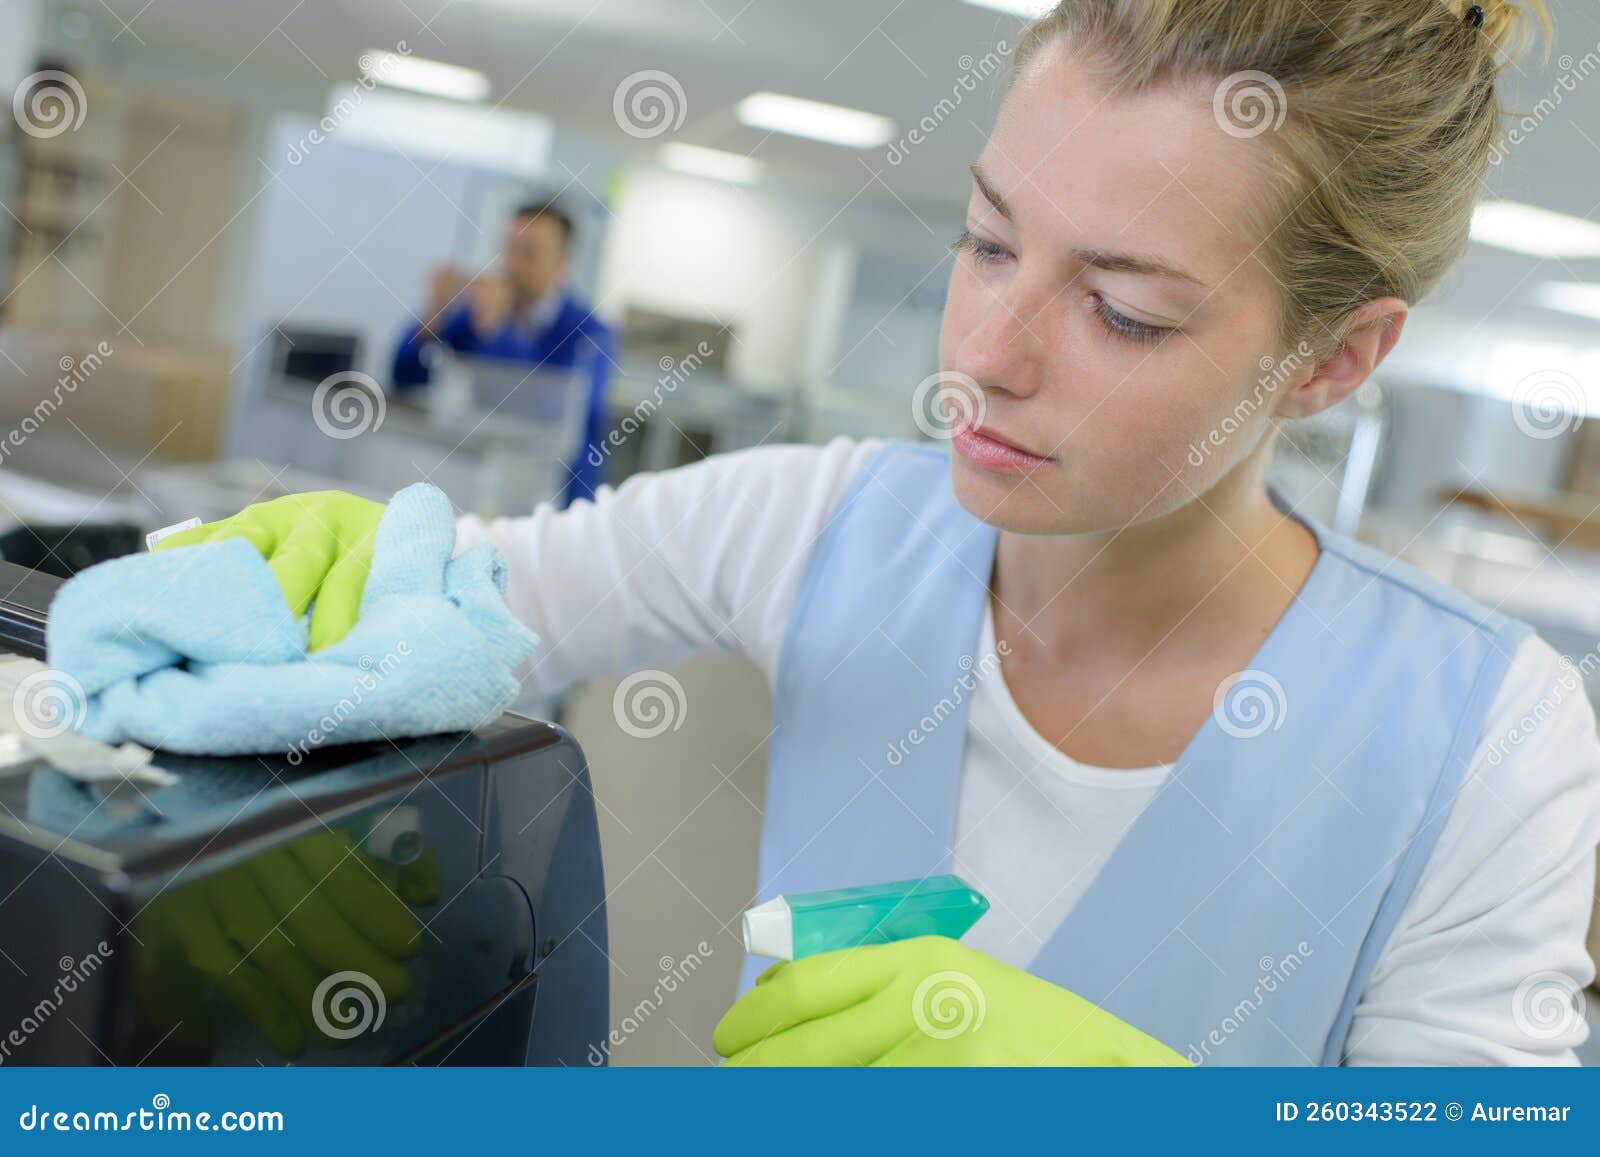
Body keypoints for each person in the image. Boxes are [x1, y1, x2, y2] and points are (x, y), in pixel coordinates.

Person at [165, 0, 1600, 1065]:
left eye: (1125, 312)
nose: (987, 352)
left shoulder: (1490, 732)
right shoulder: (811, 520)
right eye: (986, 243)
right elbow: (462, 607)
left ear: (1335, 362)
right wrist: (258, 713)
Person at [391, 199, 616, 506]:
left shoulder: (591, 335)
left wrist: (498, 333)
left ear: (561, 266)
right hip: (481, 483)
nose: (513, 263)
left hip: (555, 498)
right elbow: (404, 376)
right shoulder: (479, 314)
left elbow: (544, 412)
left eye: (530, 253)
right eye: (509, 248)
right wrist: (433, 313)